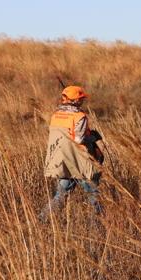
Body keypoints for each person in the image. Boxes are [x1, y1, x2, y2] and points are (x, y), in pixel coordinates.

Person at [39, 85, 105, 222]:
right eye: (81, 99)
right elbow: (78, 139)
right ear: (75, 100)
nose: (82, 101)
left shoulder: (56, 115)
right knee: (94, 195)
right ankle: (98, 227)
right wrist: (93, 137)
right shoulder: (79, 116)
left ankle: (41, 220)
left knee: (60, 196)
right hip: (80, 163)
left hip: (62, 163)